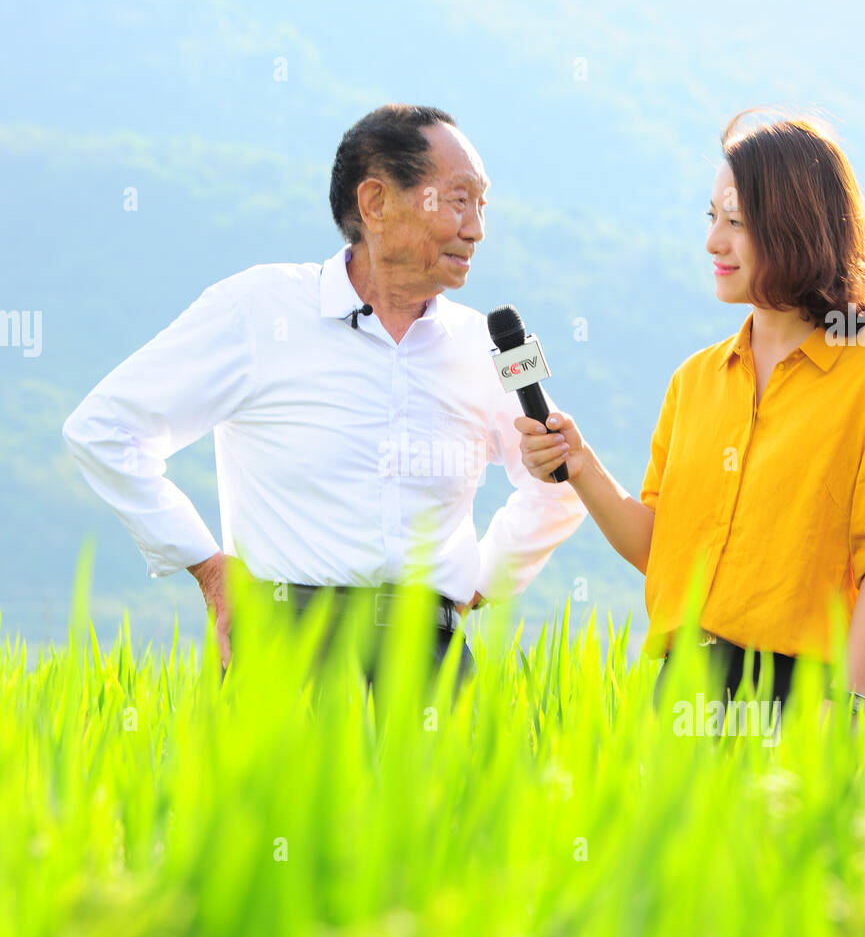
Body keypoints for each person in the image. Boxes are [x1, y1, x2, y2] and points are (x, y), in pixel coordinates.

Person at [62, 104, 587, 689]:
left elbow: (562, 485)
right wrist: (210, 570)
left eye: (482, 206)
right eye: (458, 200)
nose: (476, 229)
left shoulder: (484, 346)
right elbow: (103, 430)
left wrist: (481, 582)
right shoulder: (259, 309)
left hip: (431, 670)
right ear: (376, 203)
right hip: (288, 655)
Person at [515, 110, 865, 722]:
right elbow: (663, 549)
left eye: (736, 222)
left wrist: (848, 713)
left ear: (796, 228)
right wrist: (581, 464)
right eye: (712, 218)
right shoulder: (695, 381)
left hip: (808, 699)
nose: (713, 242)